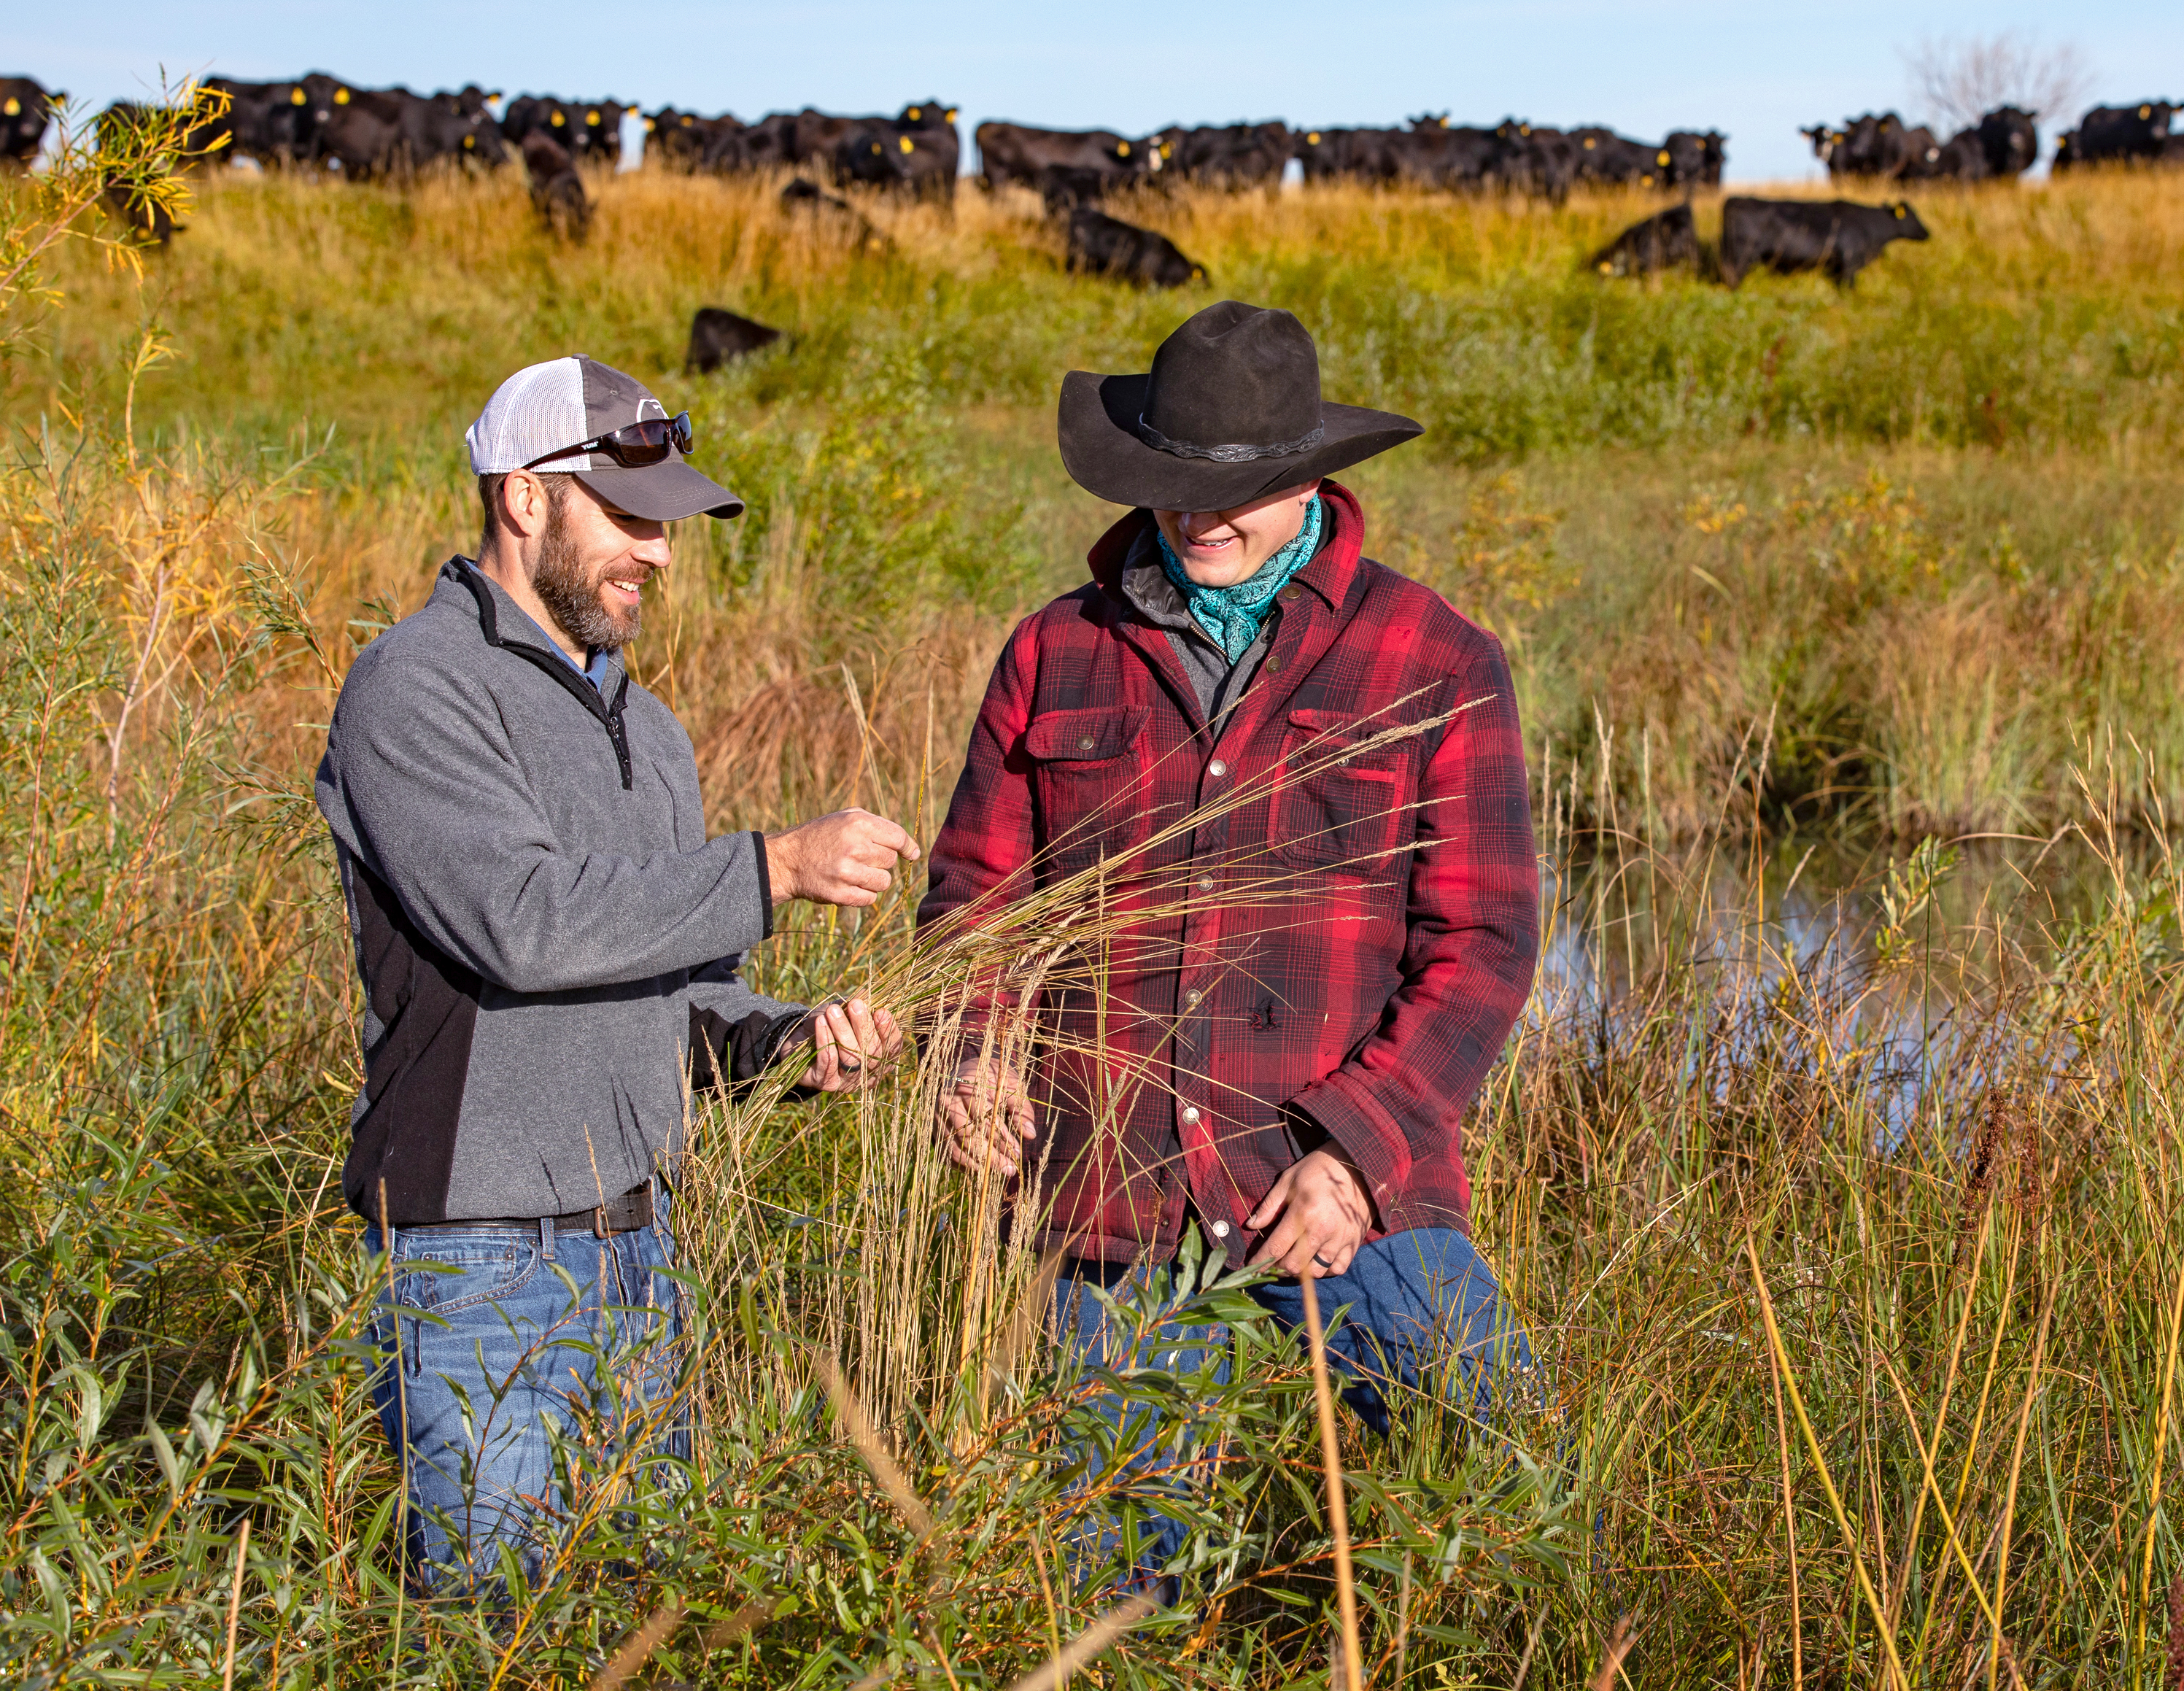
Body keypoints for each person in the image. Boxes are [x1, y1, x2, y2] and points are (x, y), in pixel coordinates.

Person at [919, 301, 1542, 1578]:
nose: (1200, 519)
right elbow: (975, 906)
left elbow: (1484, 944)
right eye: (1171, 487)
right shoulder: (1053, 652)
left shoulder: (1432, 658)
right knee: (1104, 1599)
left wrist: (1352, 1157)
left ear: (1309, 476)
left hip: (1354, 1201)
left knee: (1513, 1516)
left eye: (1239, 492)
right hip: (1109, 1214)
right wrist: (969, 1054)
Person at [314, 352, 918, 1591]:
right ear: (524, 497)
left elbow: (678, 995)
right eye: (631, 517)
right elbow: (519, 925)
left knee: (643, 1619)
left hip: (644, 1252)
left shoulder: (650, 729)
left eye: (668, 524)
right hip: (474, 1259)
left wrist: (790, 1045)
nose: (659, 552)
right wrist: (774, 867)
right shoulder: (415, 688)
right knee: (503, 1633)